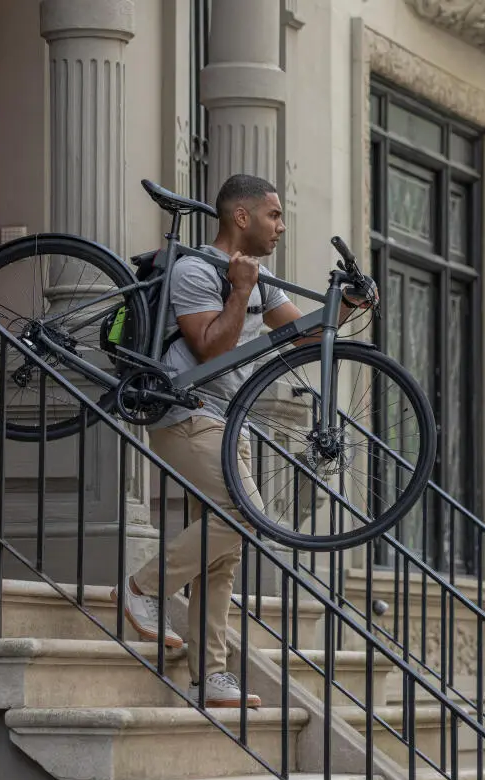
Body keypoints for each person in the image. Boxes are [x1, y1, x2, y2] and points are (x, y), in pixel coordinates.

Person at [111, 174, 368, 709]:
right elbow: (209, 347)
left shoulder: (262, 277)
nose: (280, 226)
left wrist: (344, 306)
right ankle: (140, 590)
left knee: (223, 557)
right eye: (273, 215)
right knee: (245, 518)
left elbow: (304, 332)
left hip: (232, 422)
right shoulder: (194, 271)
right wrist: (241, 289)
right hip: (187, 414)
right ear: (242, 217)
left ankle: (211, 677)